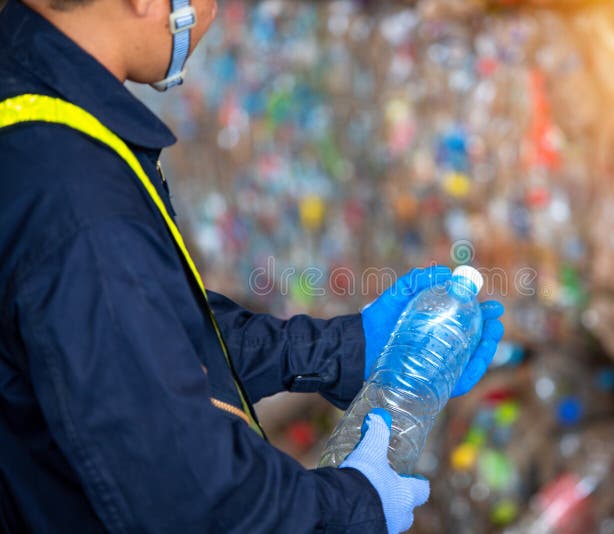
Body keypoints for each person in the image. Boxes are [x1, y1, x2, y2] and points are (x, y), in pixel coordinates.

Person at [0, 0, 506, 532]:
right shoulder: (79, 206)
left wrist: (343, 350)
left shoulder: (32, 109)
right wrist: (350, 505)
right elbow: (194, 499)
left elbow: (155, 333)